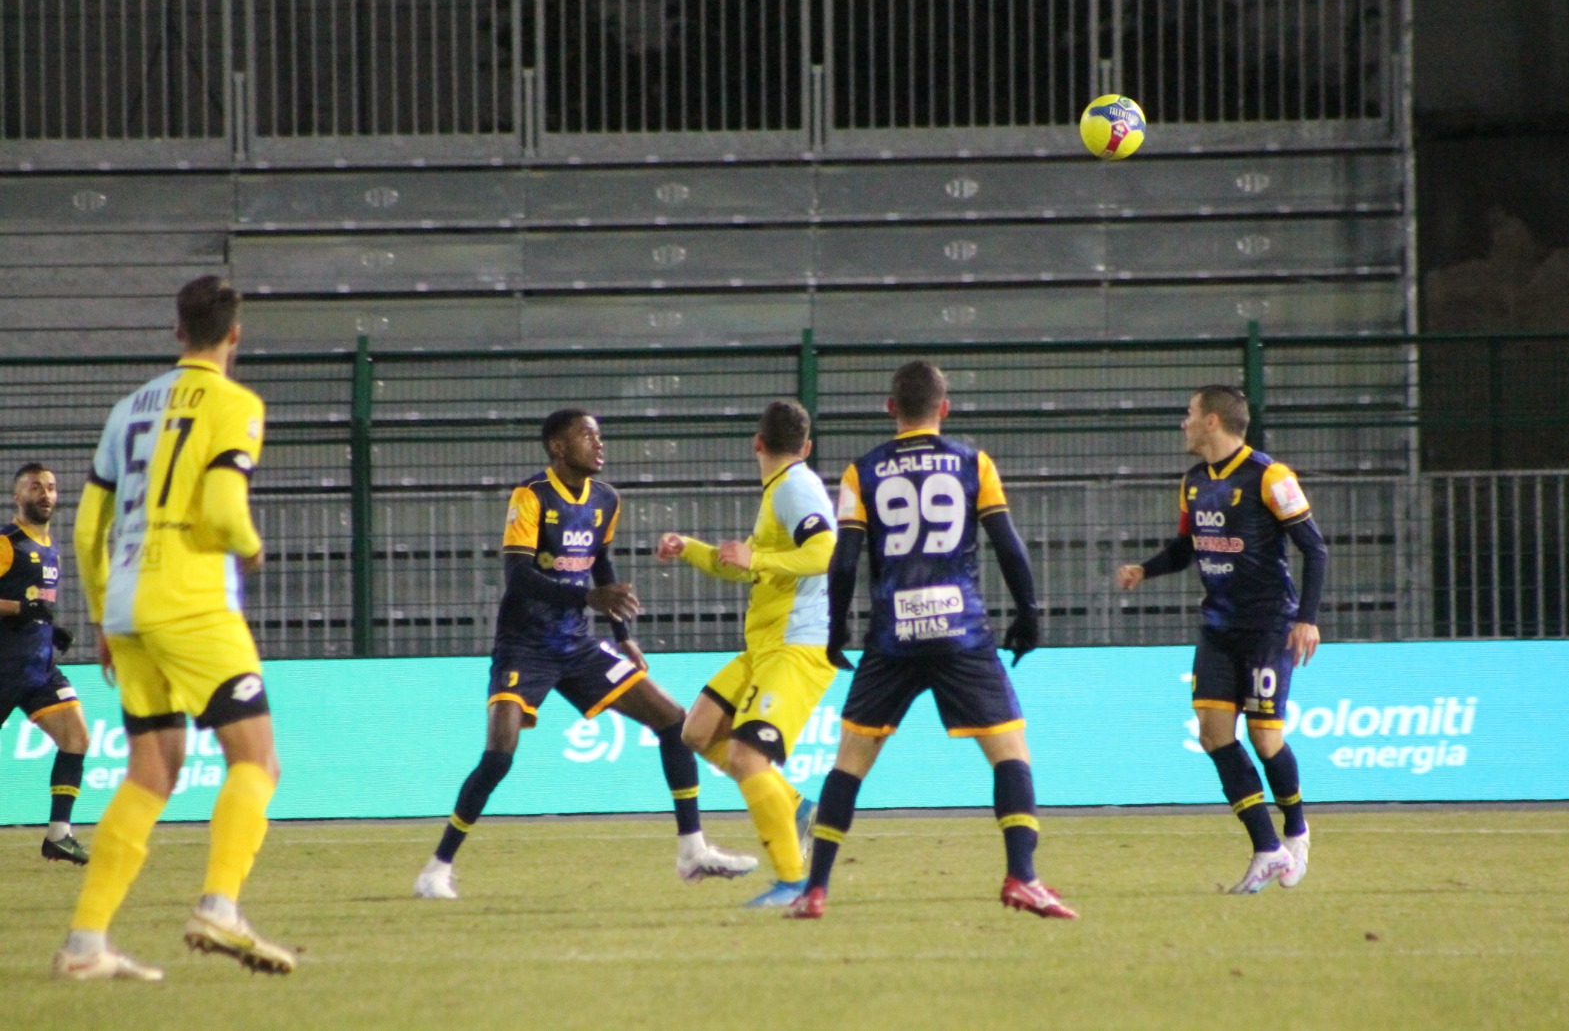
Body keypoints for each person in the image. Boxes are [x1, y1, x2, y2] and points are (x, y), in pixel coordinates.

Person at [414, 408, 757, 899]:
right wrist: (588, 600)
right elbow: (519, 576)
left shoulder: (605, 499)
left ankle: (692, 850)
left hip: (578, 645)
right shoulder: (531, 496)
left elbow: (602, 567)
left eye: (599, 435)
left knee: (674, 723)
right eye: (587, 436)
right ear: (558, 447)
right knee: (498, 756)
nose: (599, 444)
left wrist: (622, 635)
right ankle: (436, 868)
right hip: (524, 647)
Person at [57, 275, 294, 981]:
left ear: (177, 330)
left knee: (152, 774)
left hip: (127, 607)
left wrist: (102, 613)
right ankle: (219, 905)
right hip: (192, 603)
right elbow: (221, 509)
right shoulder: (235, 403)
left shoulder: (128, 409)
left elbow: (84, 529)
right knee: (257, 760)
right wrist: (249, 544)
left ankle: (84, 946)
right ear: (235, 336)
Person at [786, 361, 1075, 921]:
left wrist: (837, 624)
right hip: (960, 631)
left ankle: (815, 889)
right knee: (1009, 753)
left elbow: (843, 559)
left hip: (892, 635)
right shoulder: (974, 462)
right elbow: (1008, 545)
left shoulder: (860, 471)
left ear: (890, 408)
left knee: (850, 761)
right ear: (944, 409)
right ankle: (1023, 877)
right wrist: (1029, 611)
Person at [1116, 385, 1327, 894]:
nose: (1183, 423)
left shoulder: (1271, 477)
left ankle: (1296, 833)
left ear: (1212, 421)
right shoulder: (1192, 484)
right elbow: (1188, 547)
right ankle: (1266, 848)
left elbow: (1314, 550)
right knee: (1214, 734)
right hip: (1218, 627)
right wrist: (1145, 569)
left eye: (1188, 414)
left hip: (1268, 627)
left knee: (1264, 738)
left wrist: (1307, 618)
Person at [658, 400, 836, 908]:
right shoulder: (781, 490)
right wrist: (690, 548)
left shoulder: (797, 485)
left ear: (756, 442)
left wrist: (756, 555)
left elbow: (825, 552)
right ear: (806, 445)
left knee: (746, 755)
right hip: (765, 647)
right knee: (697, 730)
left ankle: (794, 880)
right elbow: (754, 566)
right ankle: (797, 807)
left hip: (796, 646)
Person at [0, 463, 91, 865]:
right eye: (35, 487)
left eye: (51, 487)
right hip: (4, 667)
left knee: (76, 737)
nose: (45, 494)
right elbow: (22, 604)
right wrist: (22, 607)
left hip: (37, 668)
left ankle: (59, 835)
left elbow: (33, 607)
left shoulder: (50, 548)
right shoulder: (7, 542)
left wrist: (49, 632)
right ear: (17, 496)